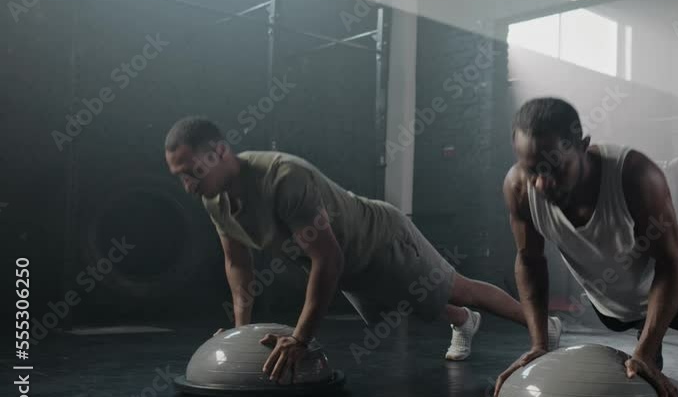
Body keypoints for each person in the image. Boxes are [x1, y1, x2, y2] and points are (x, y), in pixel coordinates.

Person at [163, 116, 561, 381]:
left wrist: (300, 339)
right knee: (401, 302)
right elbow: (238, 266)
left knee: (459, 287)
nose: (188, 186)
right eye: (179, 177)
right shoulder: (213, 198)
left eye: (191, 172)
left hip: (381, 239)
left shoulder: (283, 177)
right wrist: (240, 333)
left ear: (217, 152)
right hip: (350, 263)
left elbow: (327, 259)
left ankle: (544, 327)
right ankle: (462, 320)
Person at [495, 98, 678, 397]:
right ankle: (648, 344)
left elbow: (672, 262)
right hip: (611, 298)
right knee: (628, 329)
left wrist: (644, 352)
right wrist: (539, 344)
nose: (542, 184)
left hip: (673, 281)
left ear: (584, 147)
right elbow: (530, 261)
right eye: (533, 171)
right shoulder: (518, 187)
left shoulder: (635, 175)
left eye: (556, 169)